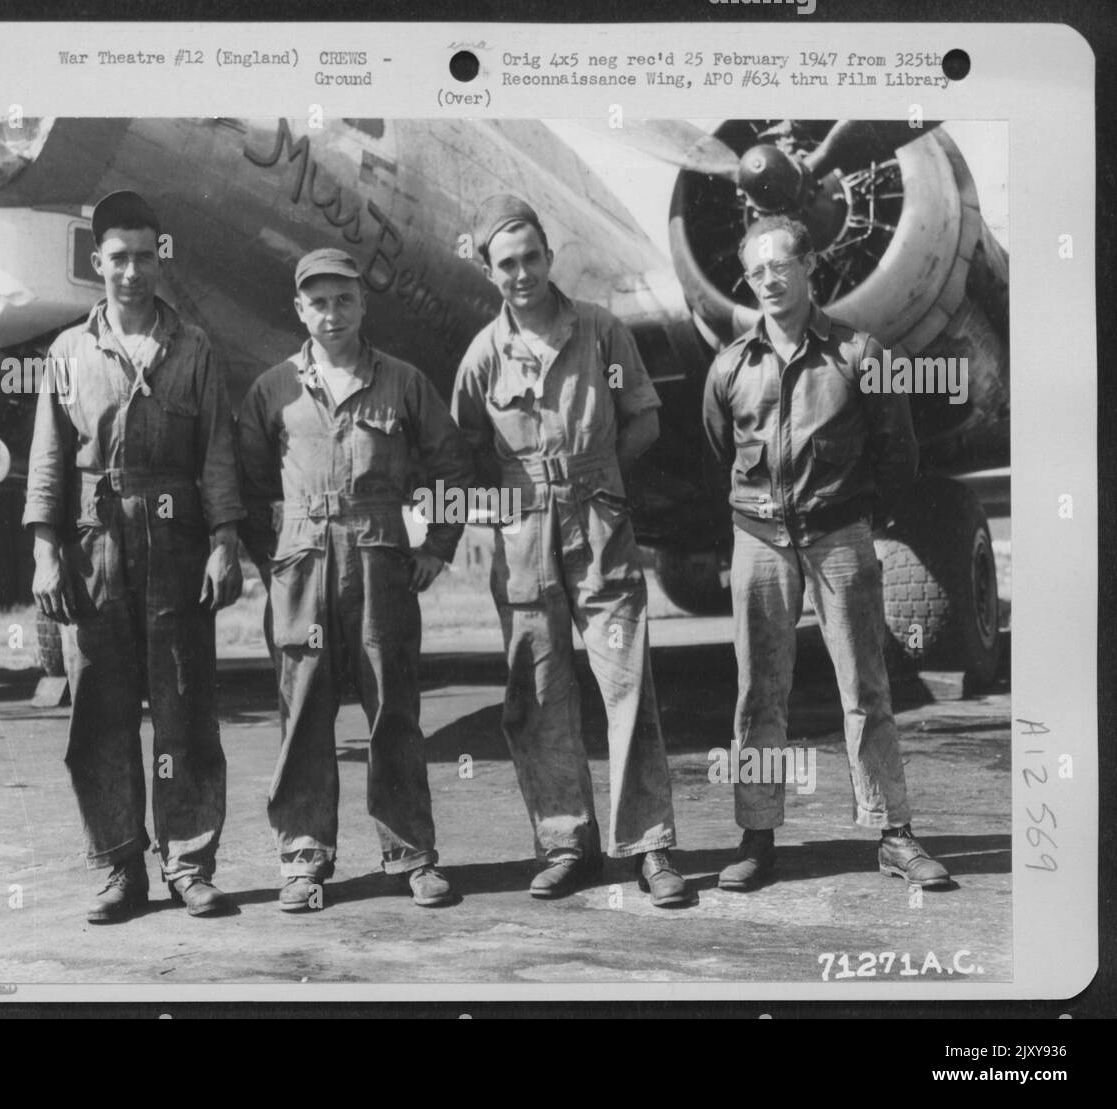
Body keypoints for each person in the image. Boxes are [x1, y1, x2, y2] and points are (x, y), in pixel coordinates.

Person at [701, 213, 953, 892]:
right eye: (756, 270)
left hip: (839, 537)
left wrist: (856, 515)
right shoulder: (730, 365)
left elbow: (897, 449)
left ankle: (894, 832)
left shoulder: (860, 354)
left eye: (782, 264)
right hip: (758, 542)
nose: (770, 280)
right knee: (759, 696)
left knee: (866, 689)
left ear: (810, 265)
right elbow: (721, 448)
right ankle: (757, 836)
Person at [451, 195, 689, 907]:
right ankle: (565, 844)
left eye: (530, 258)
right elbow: (462, 442)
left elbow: (643, 416)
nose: (520, 273)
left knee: (627, 684)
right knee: (538, 692)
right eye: (506, 264)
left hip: (598, 527)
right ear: (491, 273)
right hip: (523, 536)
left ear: (549, 258)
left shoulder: (602, 332)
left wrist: (599, 479)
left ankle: (650, 847)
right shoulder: (483, 355)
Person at [24, 190, 245, 922]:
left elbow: (216, 452)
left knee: (186, 712)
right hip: (96, 551)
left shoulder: (194, 348)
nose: (132, 270)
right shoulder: (66, 353)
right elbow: (50, 463)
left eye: (145, 256)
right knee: (99, 714)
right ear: (97, 263)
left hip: (178, 550)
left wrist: (223, 541)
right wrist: (45, 553)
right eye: (118, 257)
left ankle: (188, 865)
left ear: (161, 258)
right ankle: (120, 867)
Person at [235, 248, 473, 911]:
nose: (332, 314)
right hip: (302, 565)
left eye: (344, 300)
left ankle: (412, 854)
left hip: (380, 562)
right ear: (299, 310)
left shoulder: (402, 382)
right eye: (318, 302)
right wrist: (272, 558)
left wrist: (441, 545)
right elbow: (244, 483)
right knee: (304, 710)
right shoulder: (272, 390)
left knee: (392, 709)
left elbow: (453, 463)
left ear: (363, 305)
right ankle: (304, 857)